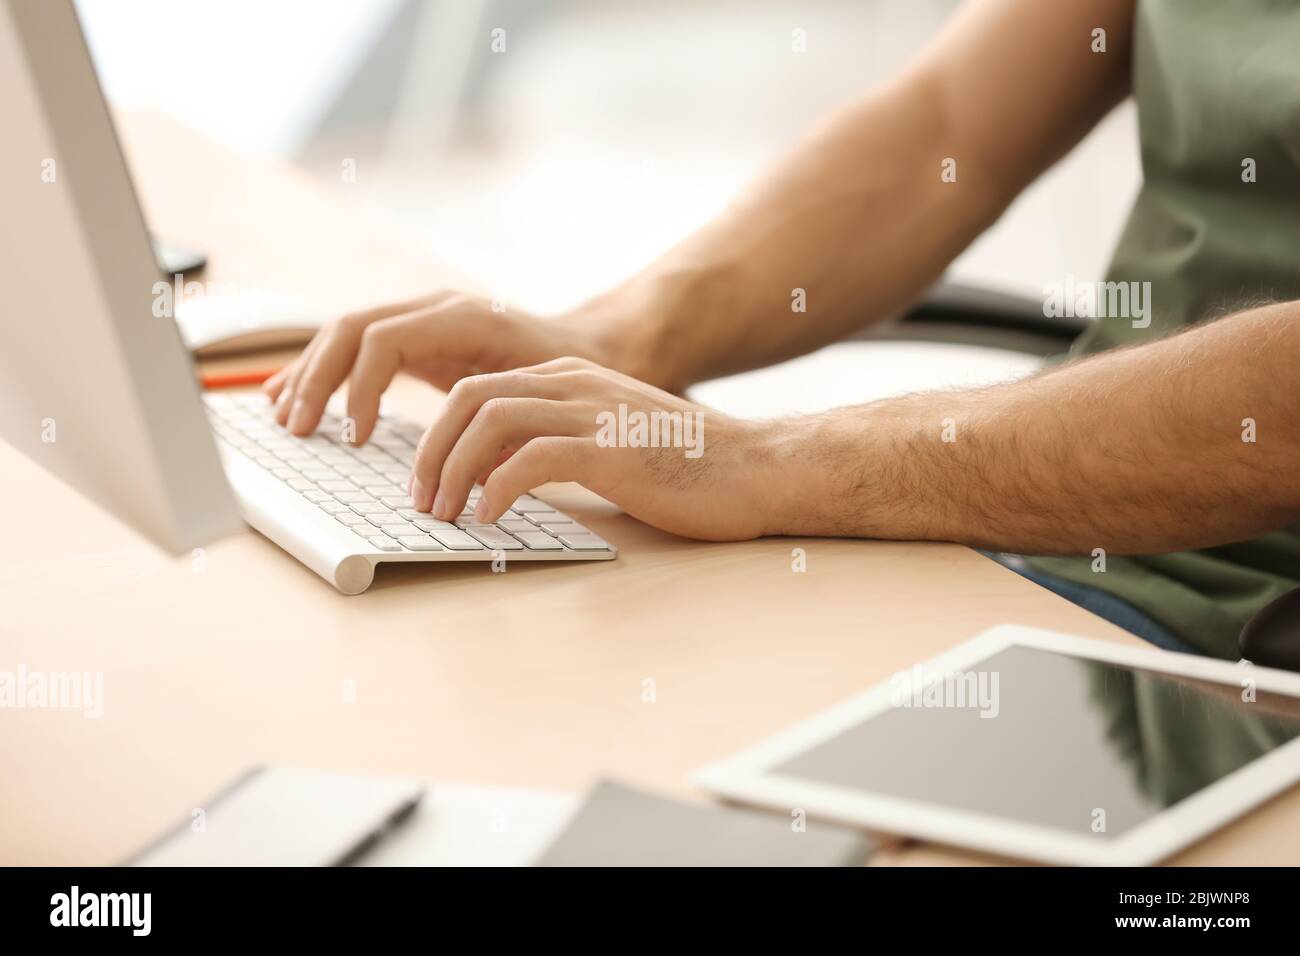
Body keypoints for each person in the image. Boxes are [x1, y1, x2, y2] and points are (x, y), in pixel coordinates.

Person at [264, 0, 1299, 660]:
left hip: (1238, 642)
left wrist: (778, 460)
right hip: (1045, 539)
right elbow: (948, 127)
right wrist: (619, 336)